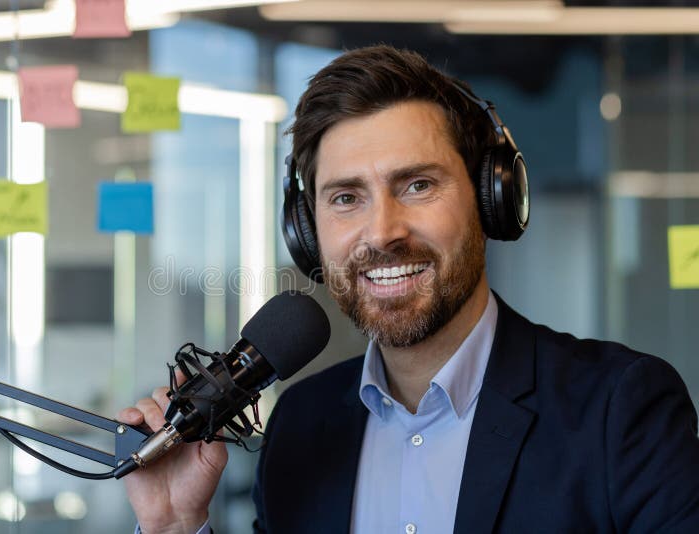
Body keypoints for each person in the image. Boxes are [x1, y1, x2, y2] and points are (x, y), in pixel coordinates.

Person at [117, 45, 699, 534]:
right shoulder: (301, 424)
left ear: (489, 199)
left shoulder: (621, 411)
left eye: (418, 185)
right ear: (305, 230)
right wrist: (174, 525)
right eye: (346, 198)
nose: (383, 233)